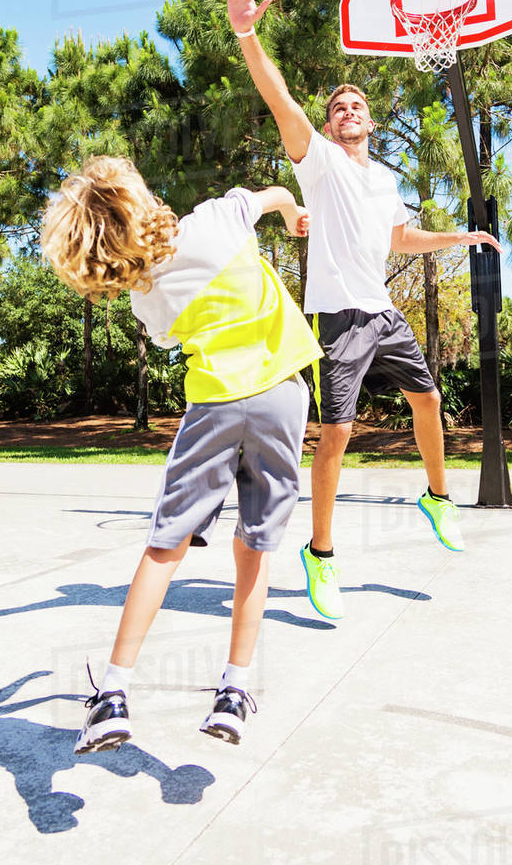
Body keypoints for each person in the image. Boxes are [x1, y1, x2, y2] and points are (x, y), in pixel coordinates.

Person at [222, 0, 503, 621]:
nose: (347, 111)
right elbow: (281, 100)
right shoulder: (318, 162)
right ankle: (320, 554)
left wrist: (459, 236)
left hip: (382, 311)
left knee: (429, 400)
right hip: (339, 318)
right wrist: (246, 34)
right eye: (338, 108)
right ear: (329, 126)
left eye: (357, 107)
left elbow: (400, 238)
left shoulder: (384, 181)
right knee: (338, 432)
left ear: (371, 124)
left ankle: (437, 496)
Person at [40, 155, 321, 749]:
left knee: (166, 545)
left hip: (215, 403)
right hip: (281, 397)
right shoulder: (217, 218)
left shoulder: (147, 297)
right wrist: (292, 211)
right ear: (139, 197)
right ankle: (234, 692)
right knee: (256, 546)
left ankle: (113, 694)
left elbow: (169, 334)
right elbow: (270, 193)